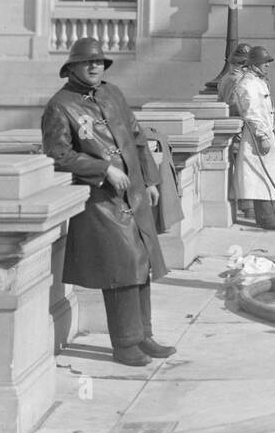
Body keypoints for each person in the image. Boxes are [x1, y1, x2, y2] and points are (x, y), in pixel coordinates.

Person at [41, 37, 175, 367]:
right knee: (121, 269)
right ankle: (125, 344)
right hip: (100, 200)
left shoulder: (113, 94)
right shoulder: (60, 106)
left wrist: (150, 181)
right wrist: (103, 169)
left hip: (133, 194)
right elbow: (57, 154)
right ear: (71, 68)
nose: (94, 66)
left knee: (141, 264)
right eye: (87, 62)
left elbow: (137, 137)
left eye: (99, 61)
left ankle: (144, 335)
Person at [232, 45, 275, 231]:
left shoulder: (258, 82)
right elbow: (252, 112)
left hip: (265, 133)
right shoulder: (247, 84)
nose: (267, 66)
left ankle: (270, 215)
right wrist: (262, 135)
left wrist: (271, 128)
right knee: (260, 177)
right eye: (265, 63)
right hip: (256, 137)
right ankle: (267, 218)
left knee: (269, 175)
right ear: (255, 64)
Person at [218, 42, 254, 225]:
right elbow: (236, 105)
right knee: (244, 168)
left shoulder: (226, 78)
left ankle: (245, 206)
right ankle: (247, 208)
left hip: (233, 128)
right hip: (239, 129)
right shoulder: (238, 81)